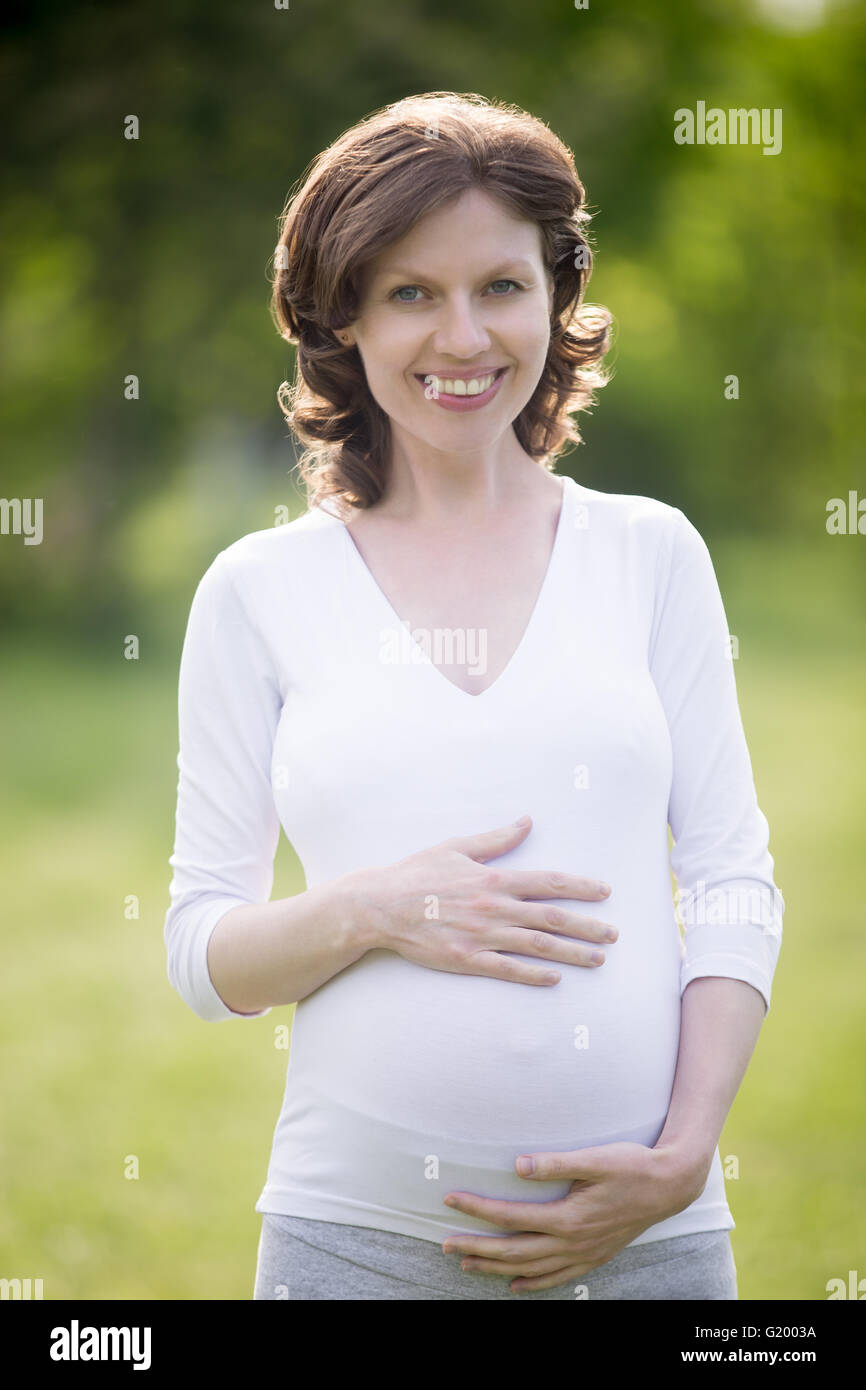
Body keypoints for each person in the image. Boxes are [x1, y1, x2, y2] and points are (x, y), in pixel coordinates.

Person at [163, 92, 784, 1301]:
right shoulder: (259, 589)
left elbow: (727, 877)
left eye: (500, 287)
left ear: (556, 297)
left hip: (649, 1241)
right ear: (341, 317)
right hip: (352, 1247)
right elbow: (204, 955)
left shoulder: (650, 552)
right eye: (409, 293)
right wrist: (375, 909)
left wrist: (682, 1154)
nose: (464, 337)